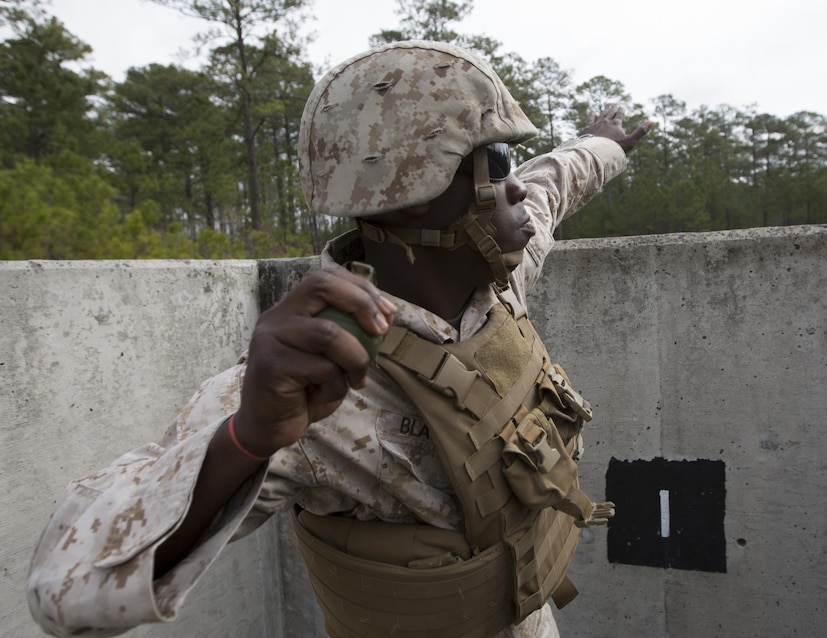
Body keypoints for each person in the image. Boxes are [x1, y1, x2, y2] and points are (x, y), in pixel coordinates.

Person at [27, 40, 651, 638]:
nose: (517, 187)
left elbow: (553, 185)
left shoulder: (497, 284)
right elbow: (67, 593)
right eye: (496, 164)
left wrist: (604, 144)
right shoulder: (321, 386)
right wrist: (246, 439)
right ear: (412, 198)